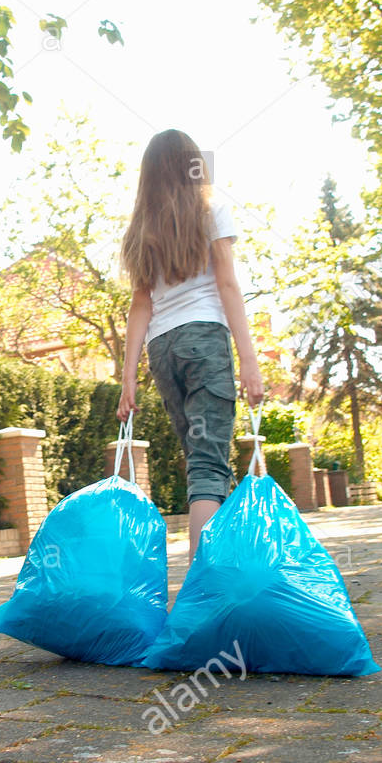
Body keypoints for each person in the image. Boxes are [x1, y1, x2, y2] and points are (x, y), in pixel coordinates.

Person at [117, 129, 264, 561]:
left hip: (163, 350)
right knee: (208, 462)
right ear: (191, 165)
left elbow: (140, 306)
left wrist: (129, 380)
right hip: (203, 340)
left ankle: (224, 563)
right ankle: (202, 584)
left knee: (201, 458)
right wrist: (250, 362)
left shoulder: (140, 230)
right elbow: (228, 285)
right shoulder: (211, 210)